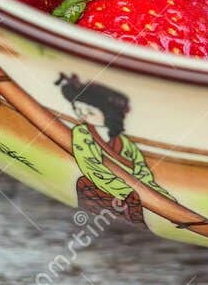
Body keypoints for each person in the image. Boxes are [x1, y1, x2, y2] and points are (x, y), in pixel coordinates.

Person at [57, 74, 169, 225]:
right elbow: (90, 166)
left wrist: (160, 196)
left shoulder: (124, 142)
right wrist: (128, 191)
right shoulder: (81, 133)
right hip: (99, 187)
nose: (83, 115)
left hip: (133, 193)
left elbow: (142, 169)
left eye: (90, 112)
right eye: (78, 110)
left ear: (109, 115)